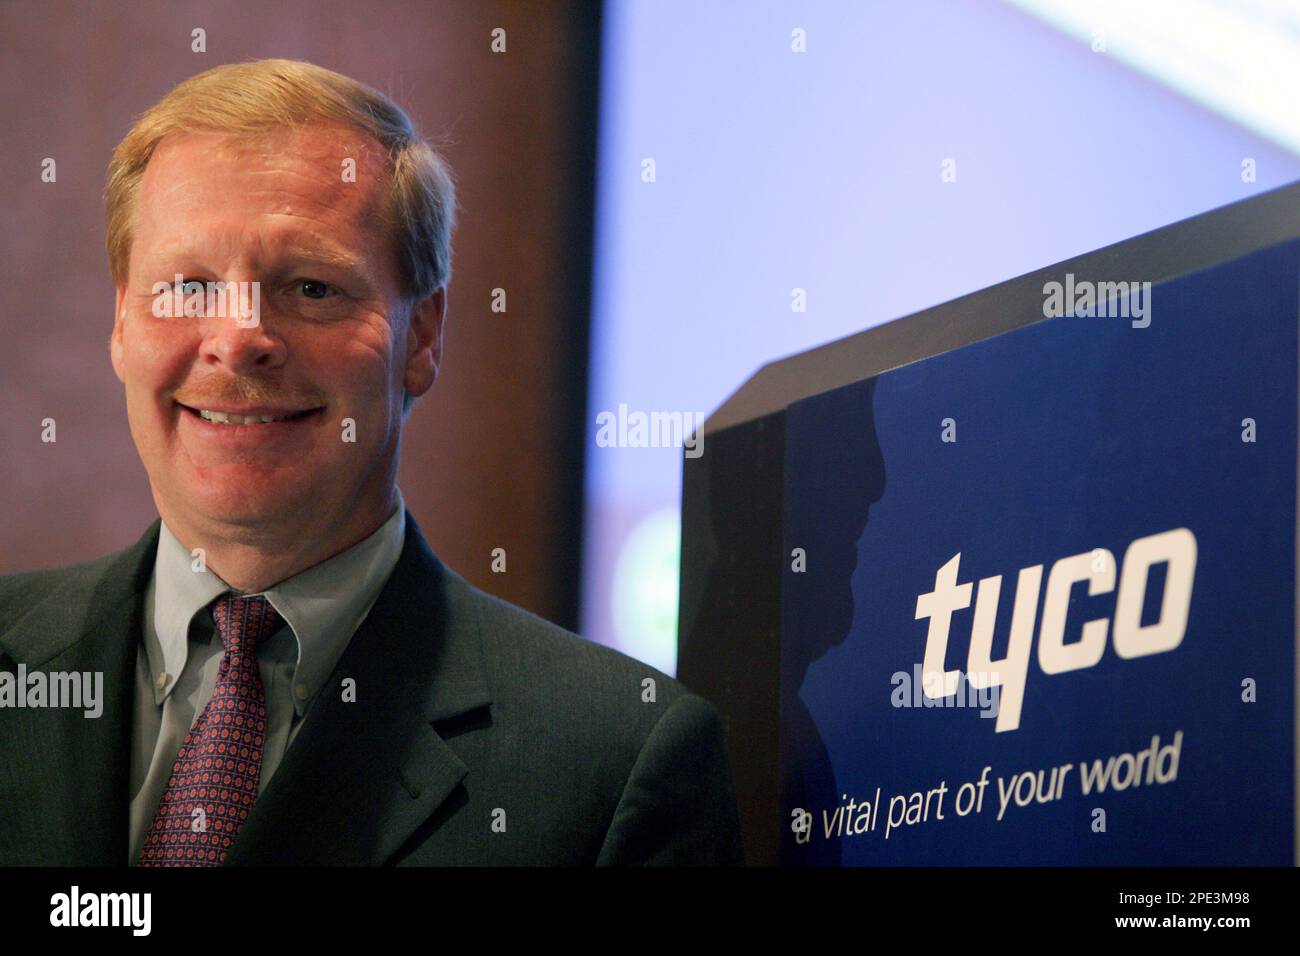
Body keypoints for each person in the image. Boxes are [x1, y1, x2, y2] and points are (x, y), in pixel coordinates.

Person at [0, 59, 743, 866]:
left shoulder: (613, 763)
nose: (239, 338)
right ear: (120, 325)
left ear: (421, 337)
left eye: (312, 287)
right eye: (188, 286)